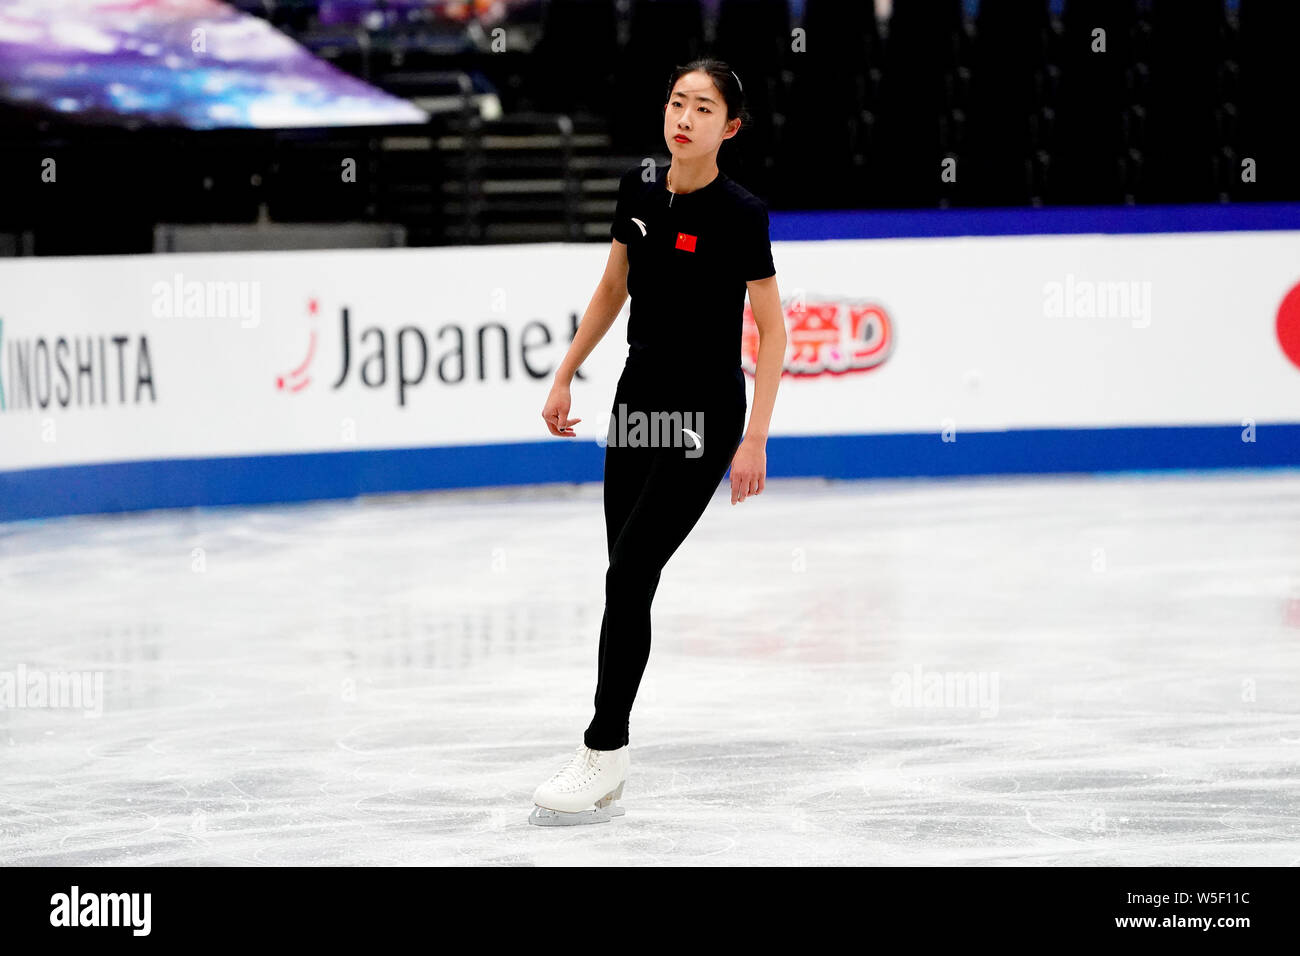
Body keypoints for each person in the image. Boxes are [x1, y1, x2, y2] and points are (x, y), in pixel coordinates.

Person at [530, 58, 787, 825]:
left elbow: (773, 332)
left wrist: (755, 439)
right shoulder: (637, 191)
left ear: (729, 128)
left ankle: (603, 750)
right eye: (677, 102)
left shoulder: (743, 214)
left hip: (705, 415)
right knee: (625, 576)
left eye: (703, 108)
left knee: (633, 566)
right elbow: (613, 287)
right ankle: (610, 759)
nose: (684, 118)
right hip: (637, 404)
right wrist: (566, 372)